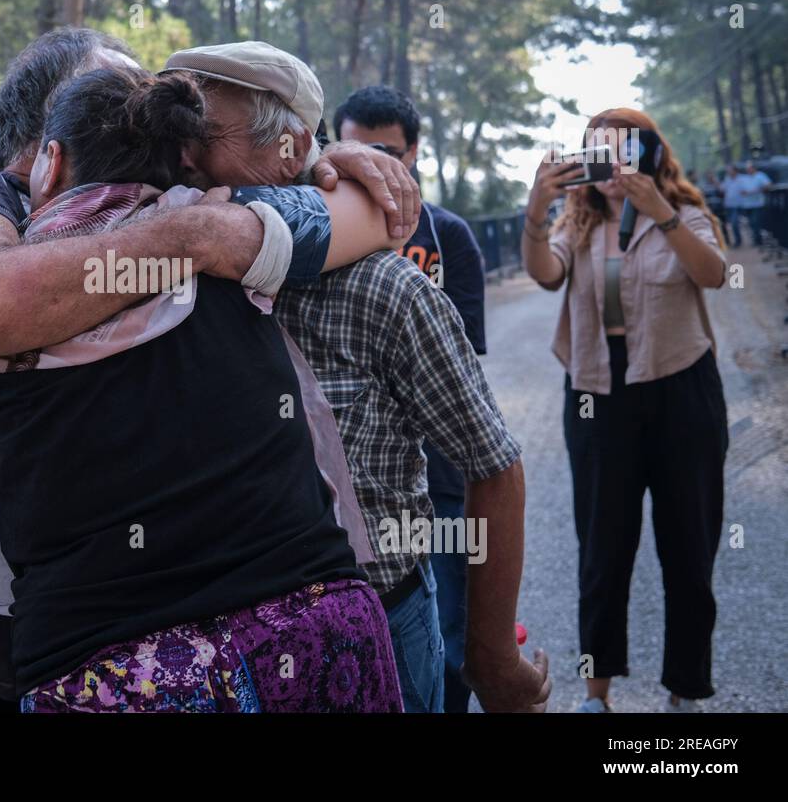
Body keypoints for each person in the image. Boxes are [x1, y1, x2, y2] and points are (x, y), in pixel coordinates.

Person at [0, 27, 417, 711]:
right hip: (310, 628)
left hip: (92, 665)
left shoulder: (7, 309)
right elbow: (382, 218)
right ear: (37, 158)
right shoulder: (221, 231)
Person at [162, 47, 543, 713]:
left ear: (294, 147)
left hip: (386, 622)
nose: (182, 158)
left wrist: (490, 657)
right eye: (175, 137)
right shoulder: (160, 275)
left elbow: (493, 465)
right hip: (216, 645)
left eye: (203, 137)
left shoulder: (382, 290)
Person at [522, 108, 728, 713]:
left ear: (650, 155)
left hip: (681, 387)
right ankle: (596, 693)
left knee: (689, 547)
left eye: (624, 152)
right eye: (599, 154)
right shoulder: (577, 223)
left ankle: (685, 690)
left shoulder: (684, 214)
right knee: (602, 550)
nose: (612, 167)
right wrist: (537, 209)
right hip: (595, 392)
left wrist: (659, 211)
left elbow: (714, 274)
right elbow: (544, 274)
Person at [331, 84, 488, 712]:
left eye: (389, 151)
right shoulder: (319, 233)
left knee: (451, 628)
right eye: (357, 148)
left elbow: (463, 367)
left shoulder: (449, 235)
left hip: (442, 475)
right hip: (356, 480)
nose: (374, 165)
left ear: (416, 152)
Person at [723, 161, 772, 247]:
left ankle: (758, 240)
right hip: (747, 205)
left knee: (755, 221)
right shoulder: (745, 178)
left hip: (758, 204)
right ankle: (756, 239)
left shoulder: (760, 175)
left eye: (749, 168)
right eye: (747, 169)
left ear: (753, 168)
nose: (748, 170)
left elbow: (768, 185)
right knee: (751, 223)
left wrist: (753, 192)